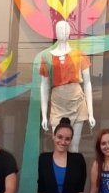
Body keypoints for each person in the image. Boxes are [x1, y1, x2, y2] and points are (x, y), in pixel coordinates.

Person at [40, 20, 96, 151]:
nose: (63, 32)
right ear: (55, 32)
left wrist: (91, 113)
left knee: (74, 147)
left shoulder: (79, 54)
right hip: (58, 104)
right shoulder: (47, 56)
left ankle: (73, 166)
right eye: (60, 29)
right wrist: (44, 115)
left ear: (70, 32)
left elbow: (88, 83)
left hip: (77, 101)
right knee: (59, 146)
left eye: (65, 29)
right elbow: (44, 86)